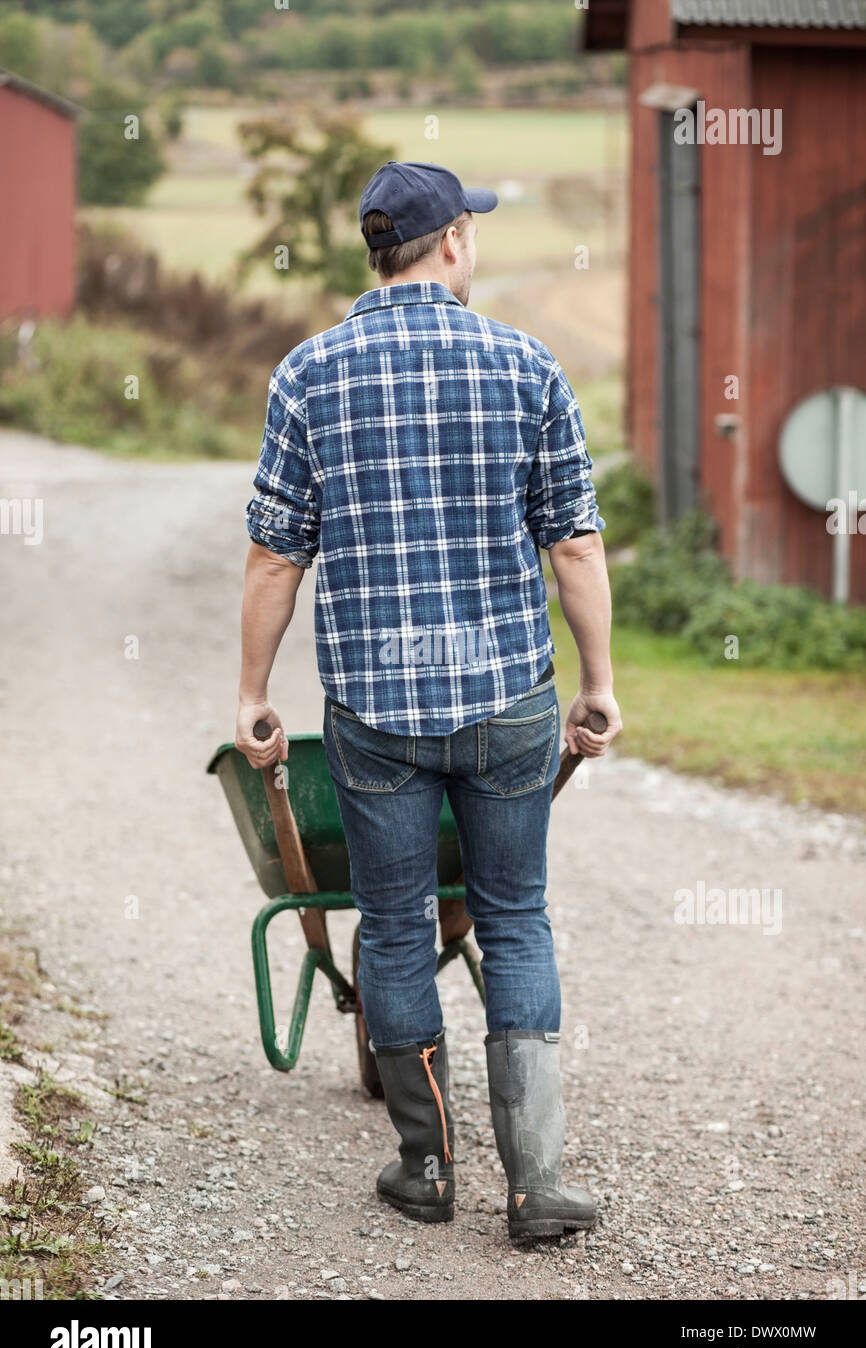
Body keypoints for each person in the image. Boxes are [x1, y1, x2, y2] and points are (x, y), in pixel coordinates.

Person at [235, 160, 622, 1241]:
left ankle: (425, 1165)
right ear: (450, 241)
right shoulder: (523, 362)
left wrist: (254, 696)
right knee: (513, 917)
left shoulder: (308, 375)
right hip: (507, 700)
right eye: (472, 230)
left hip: (376, 715)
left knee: (397, 927)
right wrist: (594, 684)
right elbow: (574, 542)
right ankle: (536, 1182)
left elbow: (275, 559)